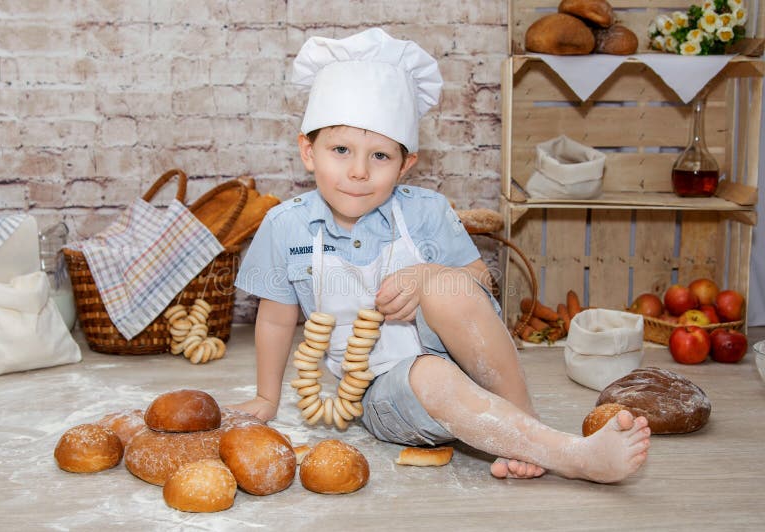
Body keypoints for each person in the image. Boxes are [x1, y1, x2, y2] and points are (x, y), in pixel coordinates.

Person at [232, 28, 650, 482]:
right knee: (430, 375)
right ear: (308, 152)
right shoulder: (285, 225)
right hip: (387, 390)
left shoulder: (426, 210)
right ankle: (572, 455)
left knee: (444, 285)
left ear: (405, 164)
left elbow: (480, 284)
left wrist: (425, 275)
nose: (357, 171)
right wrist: (266, 398)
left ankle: (525, 425)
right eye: (340, 150)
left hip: (466, 361)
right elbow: (275, 320)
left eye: (379, 156)